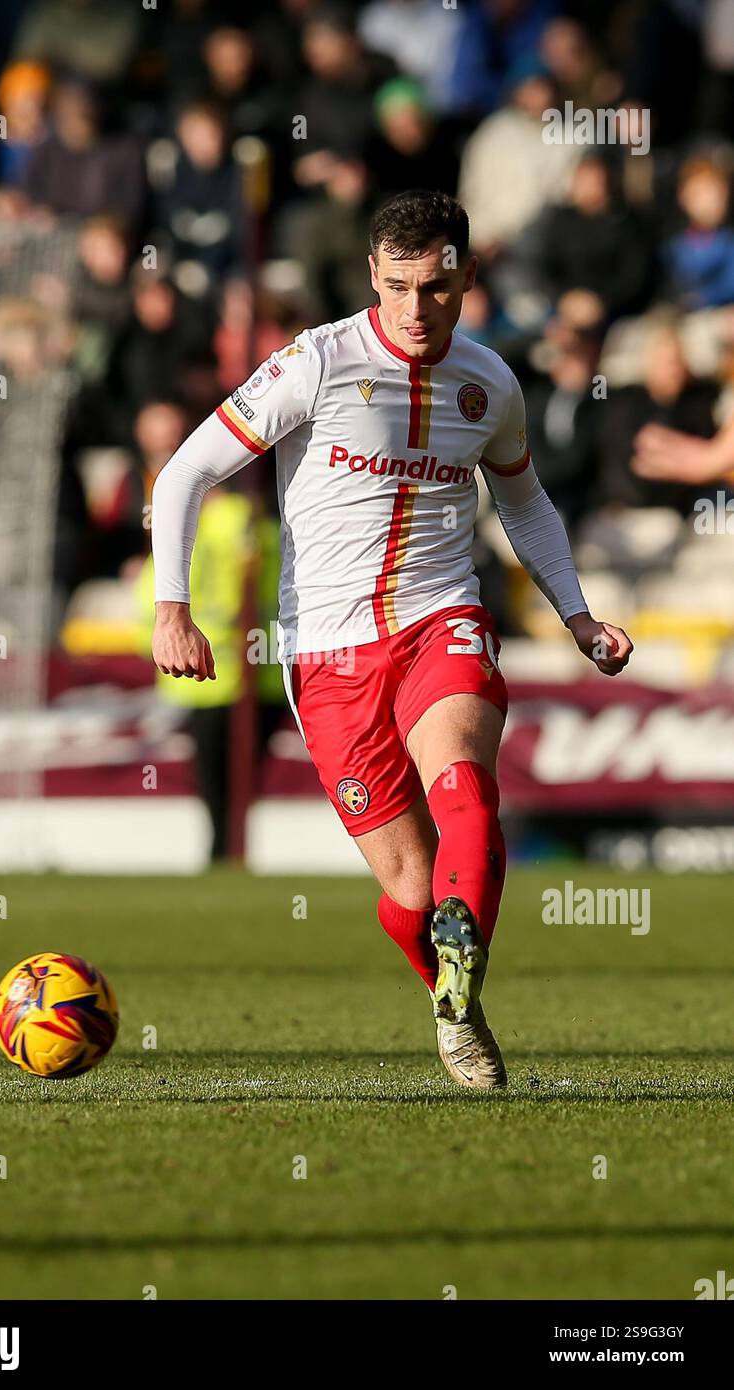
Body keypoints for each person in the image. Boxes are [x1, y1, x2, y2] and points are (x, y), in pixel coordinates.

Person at [149, 189, 633, 1090]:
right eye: (400, 286)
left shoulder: (490, 383)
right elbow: (184, 473)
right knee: (412, 890)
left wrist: (576, 615)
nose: (418, 309)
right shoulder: (314, 363)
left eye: (439, 287)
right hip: (327, 655)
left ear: (467, 278)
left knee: (465, 790)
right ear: (373, 274)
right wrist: (172, 608)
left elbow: (523, 501)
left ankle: (459, 989)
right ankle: (456, 1000)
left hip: (439, 618)